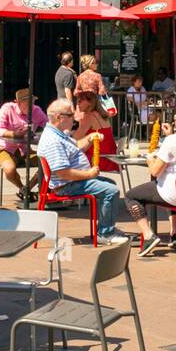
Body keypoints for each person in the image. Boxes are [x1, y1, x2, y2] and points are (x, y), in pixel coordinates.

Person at [121, 103, 176, 257]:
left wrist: (150, 159)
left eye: (175, 118)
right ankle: (174, 233)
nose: (174, 122)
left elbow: (155, 171)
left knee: (131, 196)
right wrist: (170, 137)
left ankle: (149, 235)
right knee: (170, 183)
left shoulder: (175, 140)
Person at [39, 99, 126, 244]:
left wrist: (90, 138)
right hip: (66, 185)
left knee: (110, 185)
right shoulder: (53, 140)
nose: (74, 117)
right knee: (110, 190)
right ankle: (105, 233)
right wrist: (88, 174)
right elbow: (63, 173)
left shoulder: (60, 134)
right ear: (60, 118)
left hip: (71, 181)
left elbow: (77, 146)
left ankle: (105, 227)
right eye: (70, 114)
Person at [0, 88, 47, 195]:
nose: (31, 106)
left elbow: (49, 125)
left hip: (26, 150)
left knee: (48, 163)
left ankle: (27, 189)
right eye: (27, 104)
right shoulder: (7, 108)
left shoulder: (37, 111)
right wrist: (14, 133)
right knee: (9, 170)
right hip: (7, 149)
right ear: (18, 103)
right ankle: (22, 188)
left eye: (32, 103)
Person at [73, 90, 118, 172]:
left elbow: (73, 140)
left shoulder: (88, 117)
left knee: (69, 157)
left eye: (80, 101)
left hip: (98, 159)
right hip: (111, 159)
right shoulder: (101, 115)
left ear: (90, 102)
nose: (77, 104)